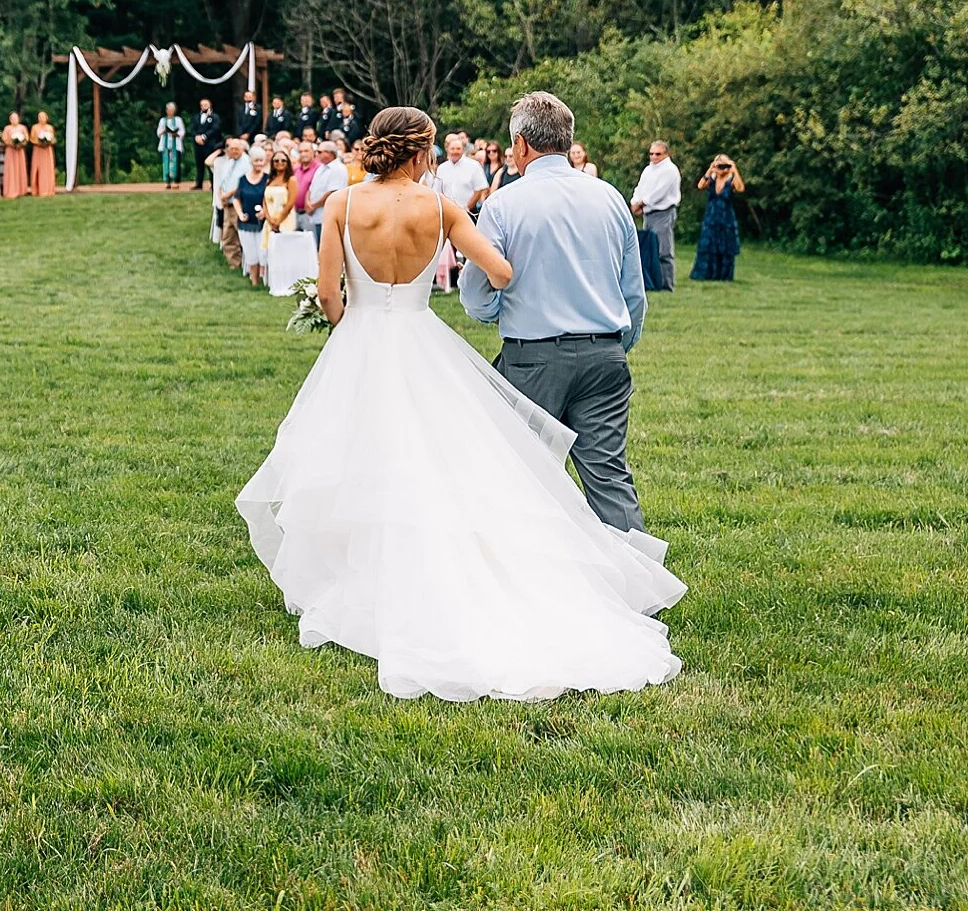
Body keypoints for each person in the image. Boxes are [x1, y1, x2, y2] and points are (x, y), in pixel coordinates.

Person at [239, 102, 683, 703]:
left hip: (363, 341)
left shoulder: (343, 203)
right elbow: (499, 272)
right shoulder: (443, 208)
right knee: (445, 461)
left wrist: (350, 325)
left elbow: (327, 294)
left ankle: (366, 577)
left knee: (356, 459)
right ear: (422, 152)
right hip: (424, 341)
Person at [460, 91, 653, 540]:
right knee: (608, 474)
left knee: (522, 474)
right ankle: (639, 585)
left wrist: (497, 310)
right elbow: (633, 292)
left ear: (522, 145)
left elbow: (474, 293)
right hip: (604, 355)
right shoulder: (610, 198)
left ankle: (531, 578)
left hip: (533, 359)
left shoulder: (503, 204)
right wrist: (615, 344)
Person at [262, 150, 318, 295]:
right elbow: (264, 201)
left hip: (285, 218)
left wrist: (279, 220)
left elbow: (291, 202)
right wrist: (269, 218)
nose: (279, 163)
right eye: (276, 161)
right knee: (271, 249)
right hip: (270, 219)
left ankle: (288, 282)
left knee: (284, 249)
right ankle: (273, 280)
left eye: (283, 160)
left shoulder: (291, 180)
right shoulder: (270, 179)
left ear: (287, 163)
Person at [629, 140, 682, 291]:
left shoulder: (670, 170)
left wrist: (642, 203)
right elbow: (639, 188)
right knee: (650, 247)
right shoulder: (648, 170)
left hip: (663, 212)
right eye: (651, 154)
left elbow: (659, 192)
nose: (654, 157)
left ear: (666, 154)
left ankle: (666, 284)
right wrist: (635, 202)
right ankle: (652, 281)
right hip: (649, 213)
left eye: (658, 154)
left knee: (663, 249)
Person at [690, 154, 744, 281]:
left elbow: (740, 188)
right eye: (719, 165)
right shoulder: (712, 179)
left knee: (725, 245)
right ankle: (706, 273)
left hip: (726, 217)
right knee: (708, 244)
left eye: (723, 165)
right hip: (711, 217)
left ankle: (723, 275)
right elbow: (700, 185)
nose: (721, 168)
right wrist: (710, 169)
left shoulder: (731, 179)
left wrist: (733, 169)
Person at [232, 147, 271, 287]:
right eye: (256, 161)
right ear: (251, 161)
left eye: (261, 161)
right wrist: (240, 213)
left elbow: (269, 199)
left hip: (262, 223)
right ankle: (254, 281)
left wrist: (265, 212)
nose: (259, 164)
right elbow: (236, 198)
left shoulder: (267, 179)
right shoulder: (243, 179)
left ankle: (265, 281)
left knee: (263, 253)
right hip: (246, 223)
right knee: (250, 253)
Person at [210, 135, 249, 267]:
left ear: (242, 149)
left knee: (241, 235)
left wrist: (228, 195)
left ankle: (246, 263)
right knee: (228, 235)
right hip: (226, 204)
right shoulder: (229, 162)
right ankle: (233, 263)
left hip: (238, 204)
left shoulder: (246, 163)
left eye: (236, 149)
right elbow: (222, 181)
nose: (233, 151)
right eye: (231, 149)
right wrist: (221, 196)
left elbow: (242, 185)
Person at [304, 140, 348, 246]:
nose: (317, 154)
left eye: (320, 152)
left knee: (325, 246)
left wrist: (313, 206)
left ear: (329, 153)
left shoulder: (338, 169)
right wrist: (308, 203)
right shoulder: (321, 168)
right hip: (315, 216)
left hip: (327, 216)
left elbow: (332, 193)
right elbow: (311, 188)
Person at [190, 98, 222, 190]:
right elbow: (193, 129)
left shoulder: (215, 117)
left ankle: (213, 184)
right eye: (202, 105)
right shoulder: (196, 117)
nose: (204, 107)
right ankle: (199, 184)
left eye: (206, 105)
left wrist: (204, 136)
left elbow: (215, 129)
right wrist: (196, 137)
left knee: (211, 164)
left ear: (210, 105)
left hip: (210, 144)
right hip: (198, 144)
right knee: (199, 164)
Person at [155, 102, 185, 188]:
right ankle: (167, 181)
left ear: (174, 111)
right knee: (166, 163)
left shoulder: (178, 120)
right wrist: (164, 131)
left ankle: (176, 181)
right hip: (165, 145)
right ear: (166, 110)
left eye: (172, 110)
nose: (170, 112)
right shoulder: (162, 120)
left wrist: (176, 134)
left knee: (176, 162)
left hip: (176, 144)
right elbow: (158, 133)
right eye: (169, 110)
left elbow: (182, 131)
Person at [0, 114, 30, 198]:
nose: (14, 120)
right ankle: (11, 190)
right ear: (10, 119)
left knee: (20, 168)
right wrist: (12, 144)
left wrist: (21, 144)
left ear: (18, 119)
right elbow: (5, 139)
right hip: (10, 151)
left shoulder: (23, 128)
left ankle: (21, 190)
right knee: (11, 169)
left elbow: (26, 138)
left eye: (15, 118)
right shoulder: (7, 128)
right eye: (12, 118)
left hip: (20, 151)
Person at [29, 112, 58, 197]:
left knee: (47, 169)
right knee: (37, 168)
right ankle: (36, 189)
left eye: (43, 117)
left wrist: (48, 142)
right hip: (38, 150)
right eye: (40, 117)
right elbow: (32, 139)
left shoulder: (49, 127)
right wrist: (39, 143)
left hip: (47, 150)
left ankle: (48, 189)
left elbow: (53, 139)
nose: (41, 119)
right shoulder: (35, 127)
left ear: (46, 118)